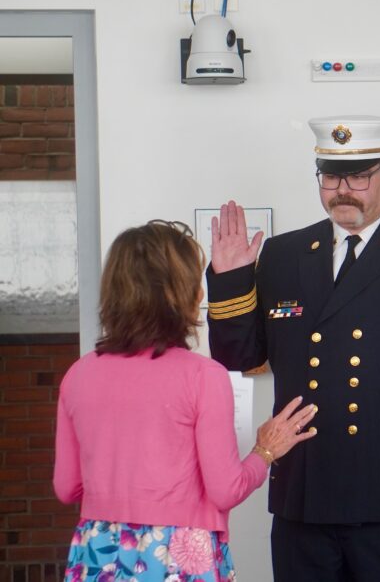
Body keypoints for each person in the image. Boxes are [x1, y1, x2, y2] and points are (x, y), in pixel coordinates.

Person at [205, 115, 380, 581]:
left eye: (358, 176)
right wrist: (231, 280)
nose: (343, 189)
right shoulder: (283, 255)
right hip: (305, 496)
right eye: (330, 175)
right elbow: (239, 357)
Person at [54, 220, 317, 582]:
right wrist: (265, 451)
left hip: (97, 548)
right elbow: (225, 491)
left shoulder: (79, 374)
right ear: (185, 293)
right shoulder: (202, 376)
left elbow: (66, 487)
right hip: (177, 554)